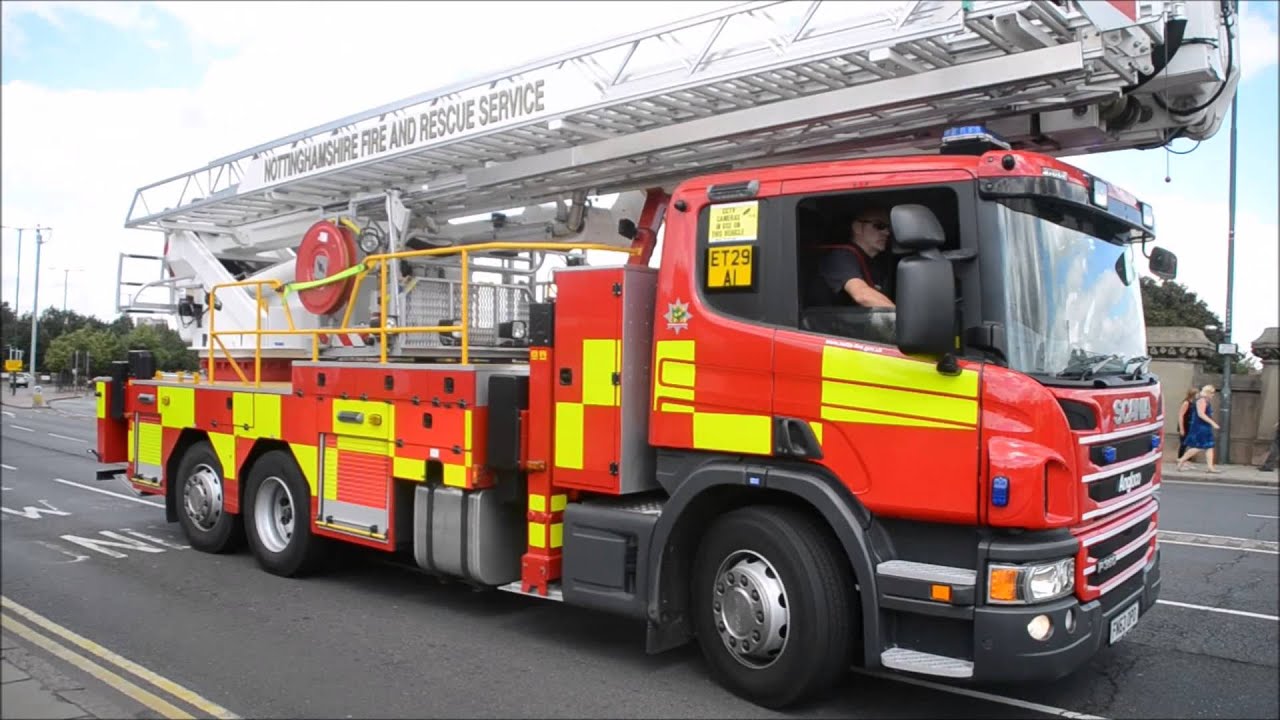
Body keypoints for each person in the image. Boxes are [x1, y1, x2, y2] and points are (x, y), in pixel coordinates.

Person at [814, 205, 898, 308]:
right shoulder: (840, 257)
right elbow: (861, 295)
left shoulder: (876, 261)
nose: (886, 232)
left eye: (888, 228)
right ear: (857, 228)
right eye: (879, 225)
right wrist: (902, 319)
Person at [1177, 384, 1221, 473]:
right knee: (1198, 447)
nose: (1213, 395)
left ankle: (1210, 467)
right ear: (1208, 393)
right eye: (1212, 393)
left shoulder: (1205, 401)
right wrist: (1213, 423)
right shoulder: (1201, 401)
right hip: (1200, 427)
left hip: (1205, 426)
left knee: (1209, 446)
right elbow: (1201, 414)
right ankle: (1182, 460)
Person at [1176, 387, 1198, 458]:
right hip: (1185, 425)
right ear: (1193, 394)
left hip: (1190, 426)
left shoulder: (1193, 403)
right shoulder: (1186, 403)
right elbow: (1181, 415)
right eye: (1197, 394)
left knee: (1189, 443)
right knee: (1183, 443)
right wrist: (1182, 428)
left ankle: (1185, 459)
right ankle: (1179, 458)